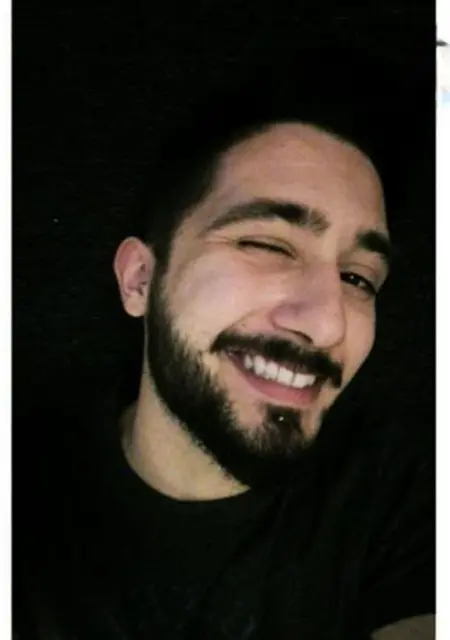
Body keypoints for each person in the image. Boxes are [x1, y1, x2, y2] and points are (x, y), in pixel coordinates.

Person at [15, 46, 434, 639]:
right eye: (267, 245)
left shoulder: (408, 500)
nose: (328, 325)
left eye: (358, 279)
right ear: (140, 280)